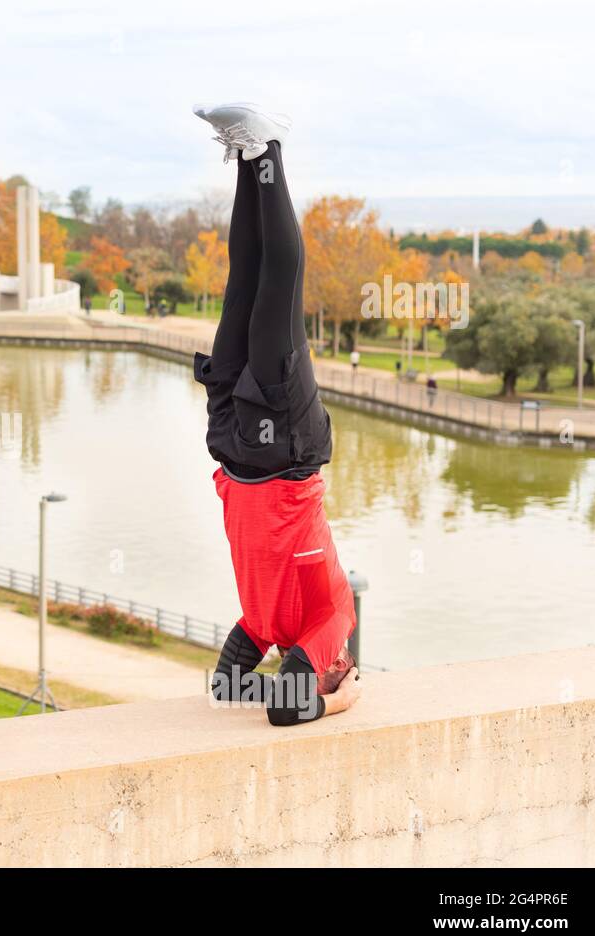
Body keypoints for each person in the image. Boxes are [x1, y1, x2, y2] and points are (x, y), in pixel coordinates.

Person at [191, 103, 361, 725]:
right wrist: (344, 700)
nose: (333, 668)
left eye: (336, 674)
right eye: (337, 669)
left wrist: (321, 690)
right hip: (285, 448)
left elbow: (230, 690)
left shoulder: (261, 626)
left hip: (236, 453)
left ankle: (243, 155)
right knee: (275, 293)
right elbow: (288, 712)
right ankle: (270, 150)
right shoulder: (336, 620)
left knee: (242, 281)